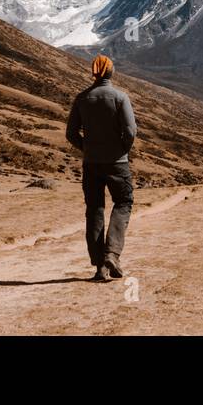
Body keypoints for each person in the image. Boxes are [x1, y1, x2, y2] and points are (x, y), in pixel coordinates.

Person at [66, 54, 137, 282]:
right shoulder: (120, 97)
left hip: (91, 164)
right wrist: (122, 149)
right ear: (110, 72)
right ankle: (112, 254)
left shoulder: (82, 98)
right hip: (118, 163)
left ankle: (99, 267)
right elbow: (131, 131)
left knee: (94, 209)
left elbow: (70, 133)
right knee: (123, 202)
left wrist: (87, 148)